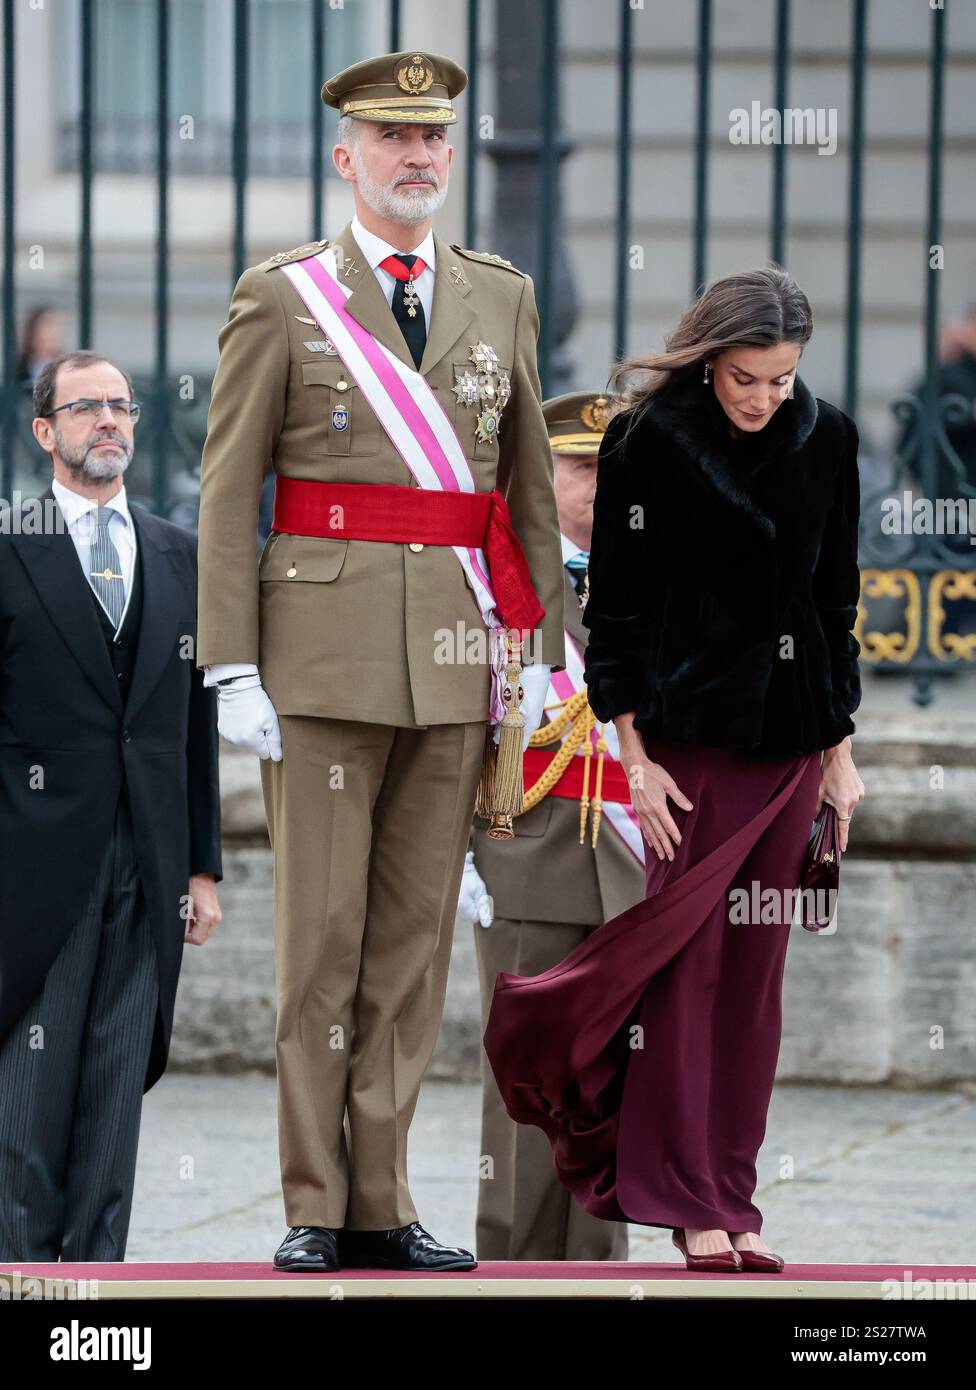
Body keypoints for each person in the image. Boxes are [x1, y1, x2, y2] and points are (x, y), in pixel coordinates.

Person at [195, 49, 566, 1273]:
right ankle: (315, 1199)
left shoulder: (498, 295)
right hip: (318, 662)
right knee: (320, 948)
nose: (417, 158)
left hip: (456, 668)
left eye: (434, 139)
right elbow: (227, 489)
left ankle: (384, 1199)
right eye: (391, 138)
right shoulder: (283, 295)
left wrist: (546, 665)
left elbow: (523, 495)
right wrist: (229, 666)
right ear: (345, 155)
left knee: (410, 953)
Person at [484, 265, 866, 1274]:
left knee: (755, 982)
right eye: (745, 377)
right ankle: (685, 1201)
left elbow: (833, 612)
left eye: (779, 380)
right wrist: (634, 758)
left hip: (787, 752)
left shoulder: (827, 438)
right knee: (683, 976)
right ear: (708, 358)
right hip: (684, 755)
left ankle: (735, 1199)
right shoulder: (646, 439)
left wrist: (840, 756)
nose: (761, 398)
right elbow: (616, 617)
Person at [0, 350, 223, 1261]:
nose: (110, 422)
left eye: (122, 407)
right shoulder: (11, 541)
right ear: (45, 431)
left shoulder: (179, 551)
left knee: (118, 1074)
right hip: (34, 862)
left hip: (151, 860)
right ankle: (18, 1275)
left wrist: (202, 864)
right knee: (28, 1086)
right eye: (85, 407)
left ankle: (98, 1284)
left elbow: (192, 718)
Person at [464, 391, 645, 1263]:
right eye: (582, 469)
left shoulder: (661, 577)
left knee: (617, 1077)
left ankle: (599, 1270)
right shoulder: (499, 571)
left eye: (618, 471)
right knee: (528, 1083)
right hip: (529, 855)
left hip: (635, 859)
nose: (603, 488)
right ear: (543, 473)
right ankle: (514, 1269)